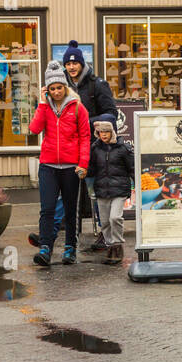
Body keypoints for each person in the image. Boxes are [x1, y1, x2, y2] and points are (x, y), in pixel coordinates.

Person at [28, 61, 89, 267]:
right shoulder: (45, 107)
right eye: (52, 88)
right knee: (47, 209)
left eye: (59, 88)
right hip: (48, 166)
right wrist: (42, 104)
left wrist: (83, 164)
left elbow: (85, 138)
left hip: (72, 167)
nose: (56, 92)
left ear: (65, 87)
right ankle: (45, 248)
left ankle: (70, 248)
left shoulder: (78, 108)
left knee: (71, 210)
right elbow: (34, 129)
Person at [59, 41, 118, 250]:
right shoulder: (61, 87)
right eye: (68, 64)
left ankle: (105, 233)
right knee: (63, 190)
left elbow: (112, 113)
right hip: (69, 147)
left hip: (94, 148)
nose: (72, 67)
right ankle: (54, 230)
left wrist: (85, 122)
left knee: (97, 192)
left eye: (75, 63)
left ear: (82, 64)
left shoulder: (97, 85)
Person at [88, 119, 132, 265]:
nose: (104, 135)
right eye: (101, 132)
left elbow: (132, 167)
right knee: (105, 222)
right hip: (102, 189)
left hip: (119, 189)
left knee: (115, 218)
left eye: (106, 131)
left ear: (112, 132)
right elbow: (92, 168)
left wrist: (138, 185)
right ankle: (110, 245)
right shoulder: (95, 148)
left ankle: (118, 246)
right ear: (97, 133)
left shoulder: (122, 148)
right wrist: (83, 171)